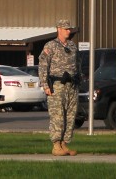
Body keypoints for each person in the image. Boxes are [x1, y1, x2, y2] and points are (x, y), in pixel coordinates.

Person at [38, 18, 79, 156]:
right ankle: (56, 145)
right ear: (59, 29)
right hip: (57, 85)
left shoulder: (72, 46)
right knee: (58, 115)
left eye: (69, 29)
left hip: (71, 86)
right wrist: (45, 84)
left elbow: (77, 64)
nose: (68, 31)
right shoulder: (50, 46)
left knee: (70, 115)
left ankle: (64, 144)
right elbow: (43, 65)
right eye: (66, 29)